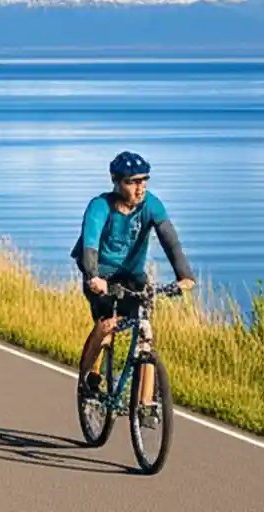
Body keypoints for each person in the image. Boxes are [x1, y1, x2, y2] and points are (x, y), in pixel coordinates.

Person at [70, 151, 195, 402]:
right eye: (133, 182)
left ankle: (145, 403)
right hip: (100, 271)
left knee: (146, 333)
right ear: (117, 182)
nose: (140, 188)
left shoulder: (151, 205)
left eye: (143, 180)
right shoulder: (100, 206)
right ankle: (87, 379)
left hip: (132, 275)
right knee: (107, 325)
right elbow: (90, 244)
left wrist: (184, 275)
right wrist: (94, 277)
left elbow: (169, 240)